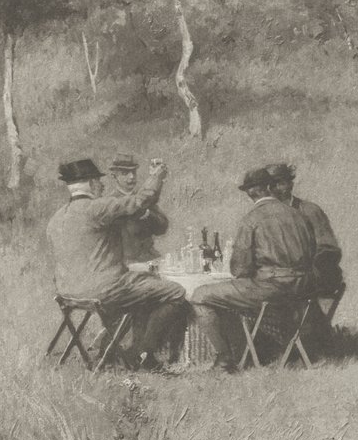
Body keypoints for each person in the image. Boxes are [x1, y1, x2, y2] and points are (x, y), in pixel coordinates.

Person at [47, 157, 187, 371]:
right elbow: (140, 200)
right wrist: (156, 177)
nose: (102, 186)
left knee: (143, 289)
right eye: (99, 182)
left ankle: (114, 352)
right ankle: (143, 354)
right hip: (104, 290)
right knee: (175, 292)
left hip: (67, 294)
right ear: (91, 183)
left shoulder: (56, 218)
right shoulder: (96, 208)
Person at [191, 167, 316, 372]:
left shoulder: (252, 219)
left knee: (200, 295)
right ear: (270, 187)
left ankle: (224, 359)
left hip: (272, 289)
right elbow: (312, 254)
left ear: (250, 193)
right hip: (303, 289)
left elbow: (239, 269)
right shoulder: (298, 215)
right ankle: (245, 351)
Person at [266, 163, 344, 295]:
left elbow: (328, 249)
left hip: (308, 281)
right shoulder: (264, 215)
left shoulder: (309, 210)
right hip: (276, 280)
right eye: (271, 185)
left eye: (280, 183)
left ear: (290, 184)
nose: (275, 189)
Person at [108, 153, 170, 264]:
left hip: (150, 258)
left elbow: (162, 227)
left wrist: (148, 214)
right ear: (114, 176)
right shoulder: (111, 202)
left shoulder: (145, 197)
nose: (131, 177)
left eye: (134, 172)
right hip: (126, 263)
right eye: (125, 173)